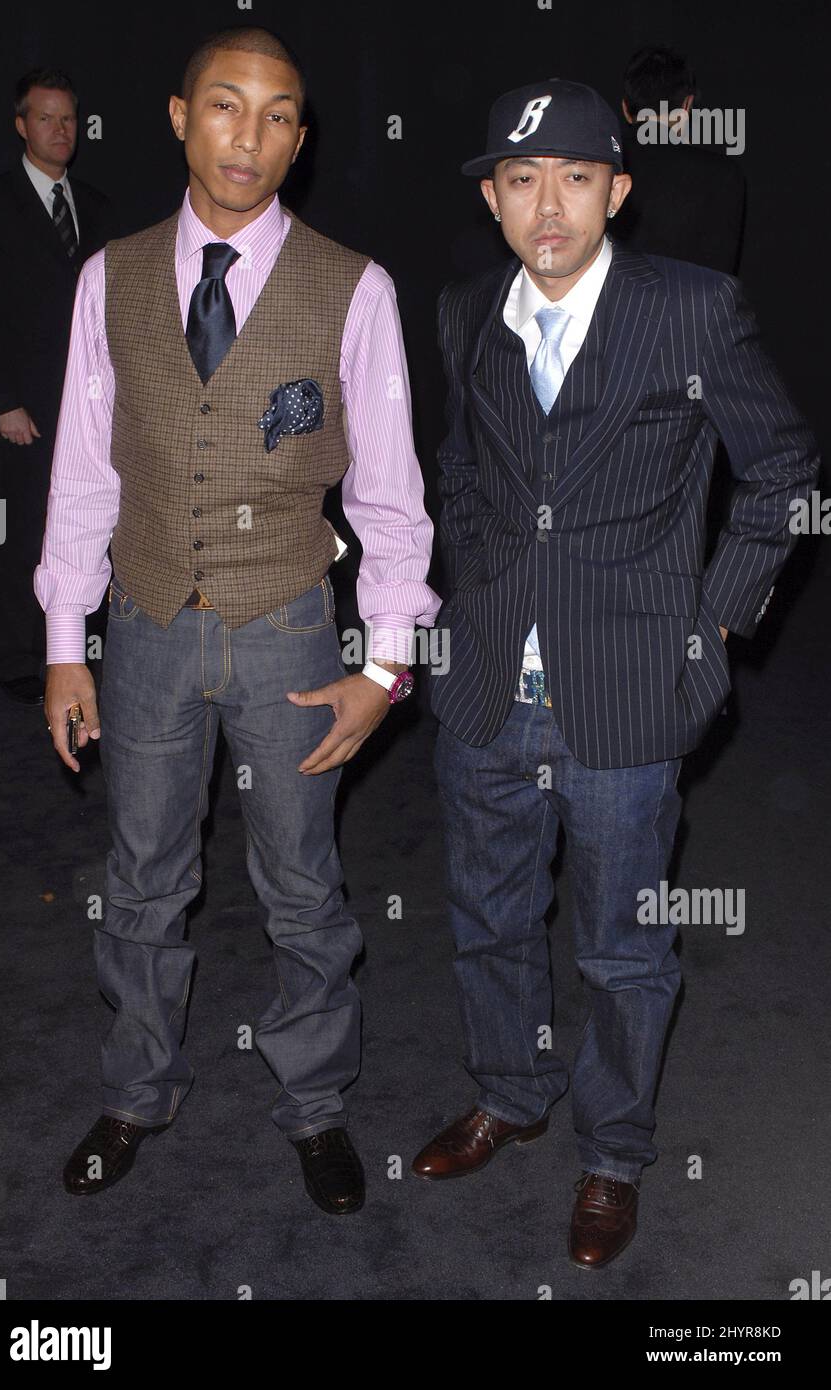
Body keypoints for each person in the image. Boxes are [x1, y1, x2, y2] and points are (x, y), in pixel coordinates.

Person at [413, 78, 819, 1267]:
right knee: (488, 918)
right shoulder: (458, 311)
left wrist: (715, 624)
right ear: (491, 197)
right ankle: (510, 1090)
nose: (550, 205)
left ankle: (612, 1151)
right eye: (523, 180)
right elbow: (463, 469)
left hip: (631, 688)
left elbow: (785, 473)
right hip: (488, 682)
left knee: (622, 945)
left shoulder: (695, 310)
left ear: (618, 192)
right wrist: (471, 587)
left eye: (577, 179)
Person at [36, 25, 439, 1215]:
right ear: (177, 117)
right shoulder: (105, 276)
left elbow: (390, 495)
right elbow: (82, 478)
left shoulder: (356, 287)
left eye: (275, 116)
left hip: (290, 633)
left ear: (299, 140)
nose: (247, 137)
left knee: (304, 885)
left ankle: (314, 1104)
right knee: (144, 879)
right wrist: (67, 644)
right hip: (150, 626)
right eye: (225, 106)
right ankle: (134, 1090)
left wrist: (388, 665)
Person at [0, 69, 112, 703]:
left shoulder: (99, 207)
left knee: (88, 524)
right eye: (46, 119)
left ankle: (77, 649)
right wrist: (2, 402)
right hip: (24, 408)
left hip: (92, 404)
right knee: (27, 529)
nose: (60, 131)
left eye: (69, 120)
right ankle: (21, 657)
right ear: (22, 125)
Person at [610, 45, 746, 273]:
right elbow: (722, 280)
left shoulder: (602, 166)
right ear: (687, 105)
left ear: (625, 107)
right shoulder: (724, 176)